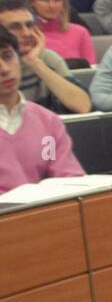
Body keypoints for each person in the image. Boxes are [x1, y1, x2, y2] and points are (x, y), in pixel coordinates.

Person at [0, 31, 85, 195]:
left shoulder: (47, 121)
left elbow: (68, 178)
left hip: (42, 214)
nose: (4, 69)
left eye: (8, 56)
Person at [0, 0, 91, 114]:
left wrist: (35, 63)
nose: (27, 33)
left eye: (29, 25)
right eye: (15, 27)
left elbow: (83, 106)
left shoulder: (48, 59)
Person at [28, 0, 96, 65]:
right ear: (31, 2)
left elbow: (90, 69)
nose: (51, 5)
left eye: (57, 0)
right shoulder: (26, 34)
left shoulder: (80, 32)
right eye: (44, 0)